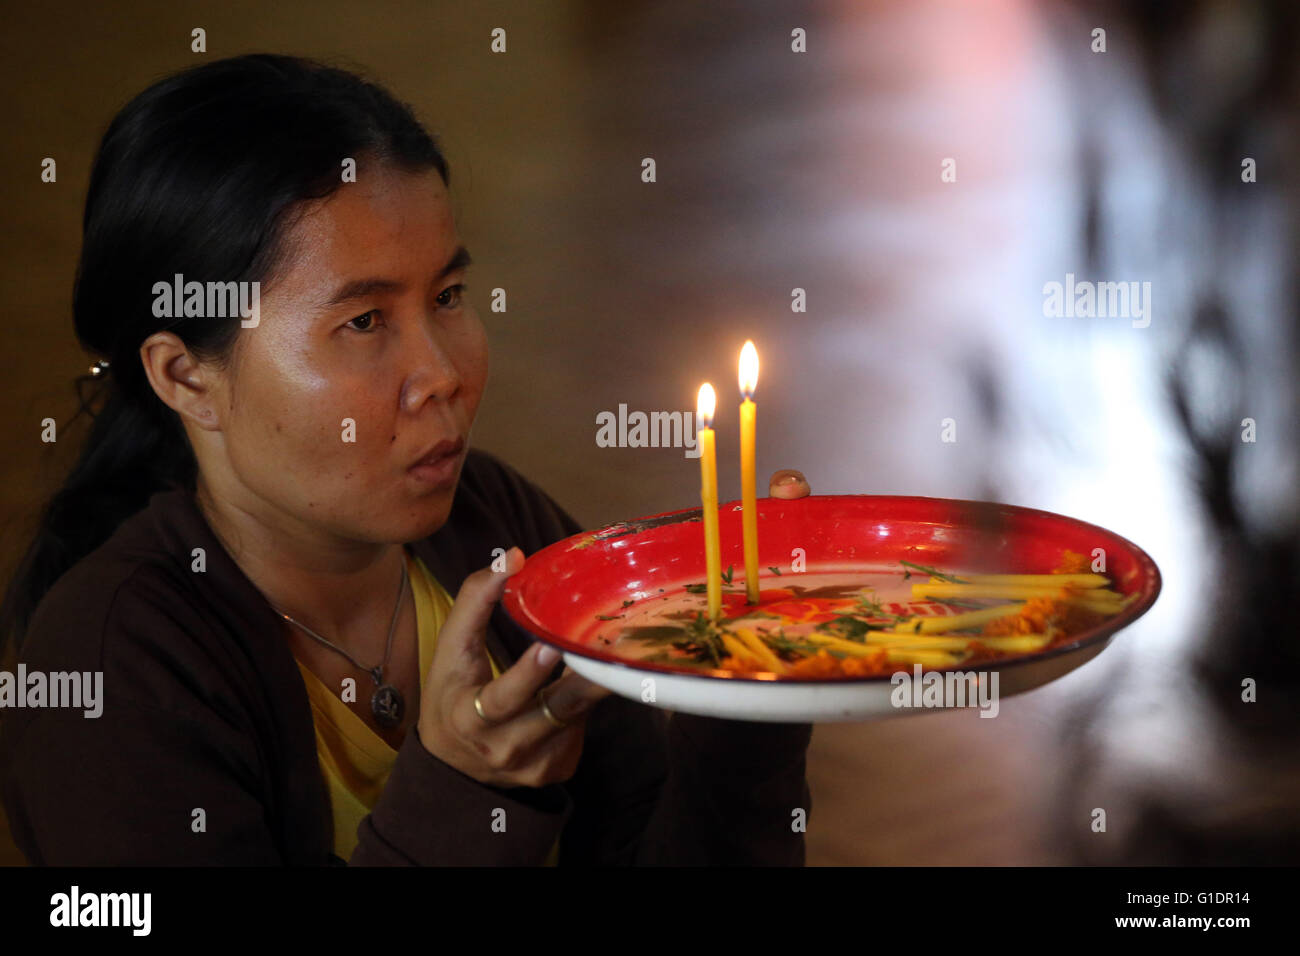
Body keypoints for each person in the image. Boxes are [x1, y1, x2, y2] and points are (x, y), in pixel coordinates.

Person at [0, 54, 815, 865]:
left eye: (448, 298)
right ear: (186, 376)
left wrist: (740, 701)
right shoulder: (114, 665)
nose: (445, 375)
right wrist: (464, 794)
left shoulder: (496, 528)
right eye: (362, 322)